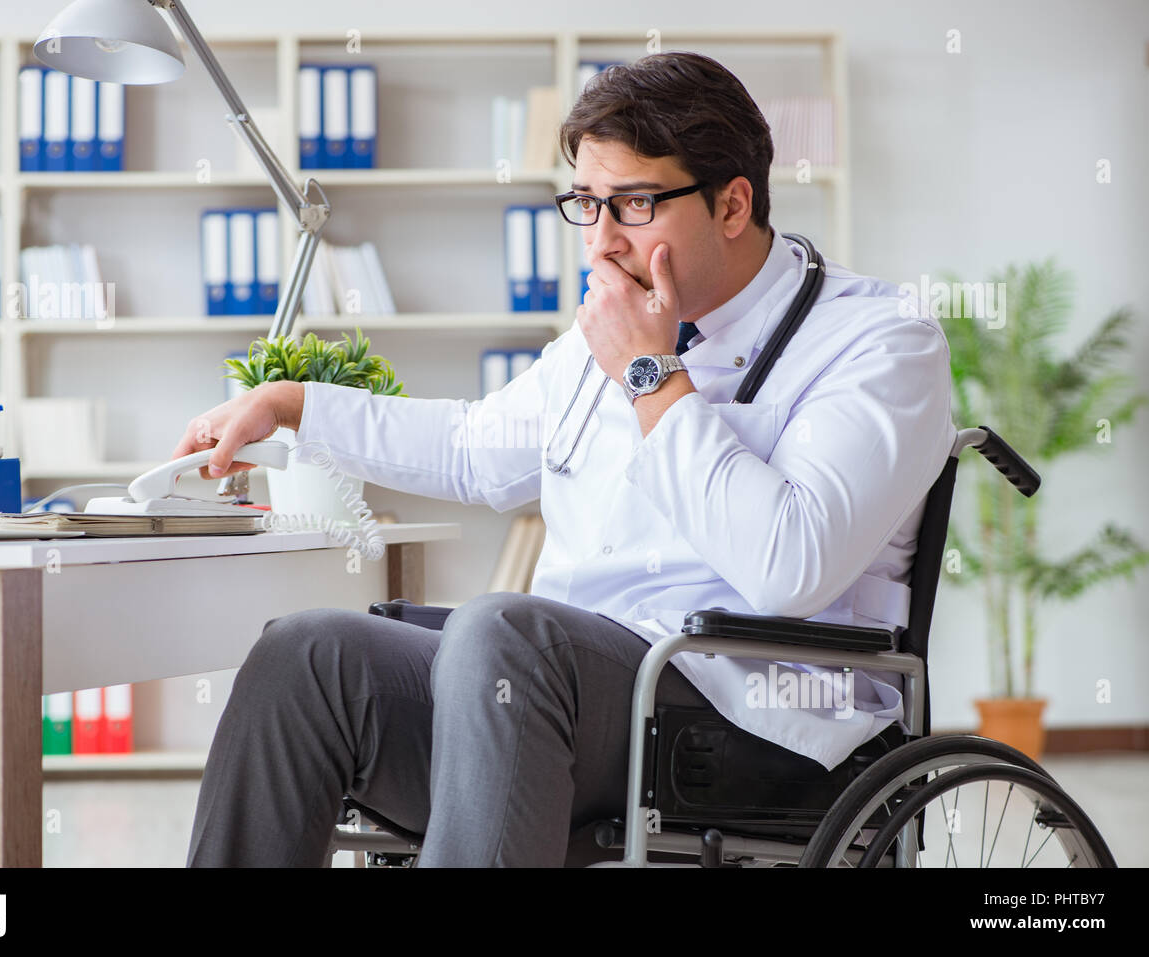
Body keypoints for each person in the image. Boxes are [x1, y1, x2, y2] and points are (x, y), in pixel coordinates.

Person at [179, 51, 955, 867]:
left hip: (750, 717)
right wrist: (295, 404)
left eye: (635, 204)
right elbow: (472, 449)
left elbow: (790, 564)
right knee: (303, 657)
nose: (602, 242)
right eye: (586, 204)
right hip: (549, 697)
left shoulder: (878, 342)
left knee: (504, 632)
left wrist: (651, 374)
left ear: (733, 204)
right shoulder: (610, 332)